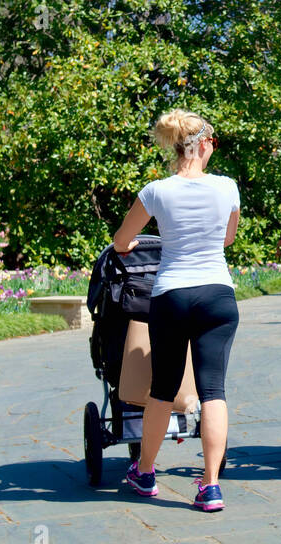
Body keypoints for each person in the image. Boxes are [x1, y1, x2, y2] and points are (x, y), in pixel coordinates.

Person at [111, 109, 240, 512]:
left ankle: (145, 472)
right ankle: (211, 487)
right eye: (213, 143)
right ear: (203, 145)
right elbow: (228, 239)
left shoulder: (156, 191)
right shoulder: (228, 188)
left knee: (162, 390)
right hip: (218, 294)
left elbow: (121, 240)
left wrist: (127, 247)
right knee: (213, 390)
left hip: (172, 295)